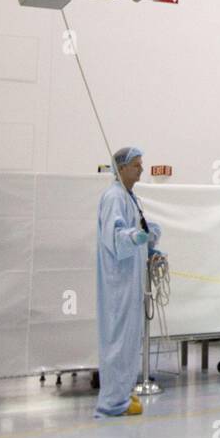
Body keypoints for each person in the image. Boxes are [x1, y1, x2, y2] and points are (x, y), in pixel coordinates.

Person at [95, 146, 162, 418]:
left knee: (128, 343)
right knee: (117, 342)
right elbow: (115, 237)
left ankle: (122, 396)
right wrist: (135, 238)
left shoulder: (130, 197)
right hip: (117, 283)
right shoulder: (113, 197)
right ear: (121, 168)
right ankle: (111, 403)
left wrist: (150, 247)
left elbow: (136, 233)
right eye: (136, 165)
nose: (141, 170)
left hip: (130, 281)